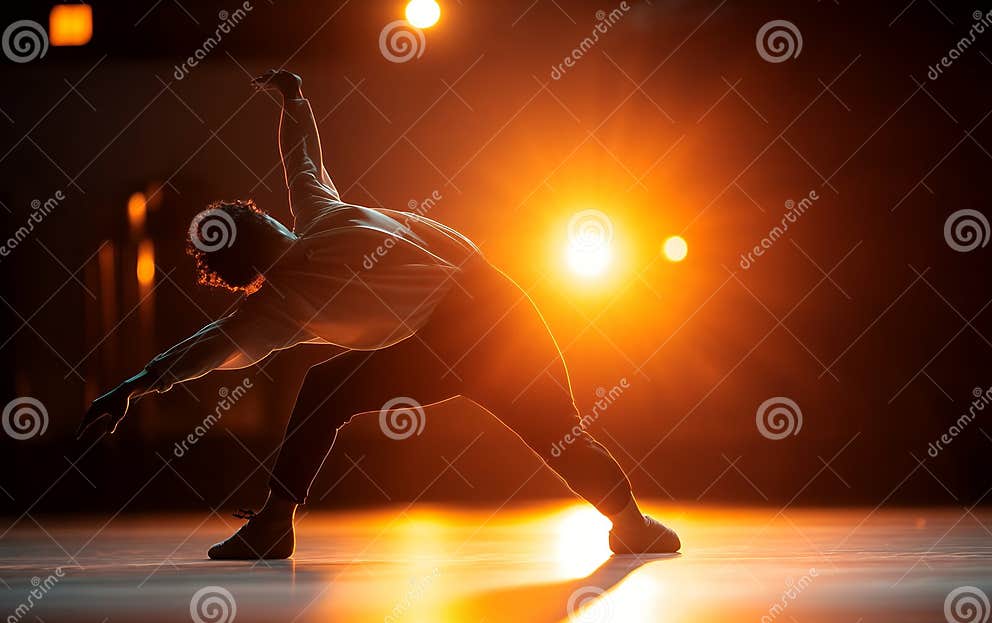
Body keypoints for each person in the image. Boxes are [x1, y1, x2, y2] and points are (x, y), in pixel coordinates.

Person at [77, 69, 681, 560]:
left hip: (481, 314)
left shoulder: (290, 275)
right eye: (252, 218)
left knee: (550, 429)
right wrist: (293, 97)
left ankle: (275, 524)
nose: (263, 215)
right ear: (259, 226)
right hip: (486, 312)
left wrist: (135, 385)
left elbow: (298, 164)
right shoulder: (296, 265)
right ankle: (630, 522)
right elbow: (215, 337)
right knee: (549, 430)